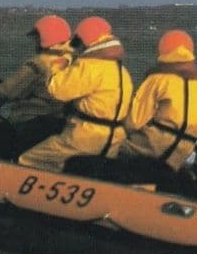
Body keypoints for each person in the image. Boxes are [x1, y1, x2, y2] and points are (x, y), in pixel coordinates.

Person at [18, 16, 133, 172]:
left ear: (85, 40)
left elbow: (57, 90)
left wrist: (61, 62)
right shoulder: (121, 70)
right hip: (113, 139)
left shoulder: (89, 66)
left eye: (78, 42)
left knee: (27, 160)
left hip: (84, 138)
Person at [0, 15, 74, 158]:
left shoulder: (39, 64)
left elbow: (7, 91)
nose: (35, 42)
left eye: (37, 38)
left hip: (31, 125)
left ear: (44, 38)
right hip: (56, 125)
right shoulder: (71, 62)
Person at [121, 30, 197, 180]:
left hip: (142, 154)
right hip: (174, 163)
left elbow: (133, 122)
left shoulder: (157, 80)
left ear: (163, 51)